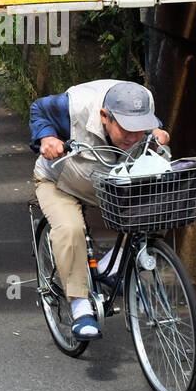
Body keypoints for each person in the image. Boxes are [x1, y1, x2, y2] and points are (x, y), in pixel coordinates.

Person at [29, 79, 170, 339]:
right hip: (62, 181)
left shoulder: (141, 101)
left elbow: (147, 122)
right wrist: (47, 137)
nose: (132, 136)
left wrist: (157, 131)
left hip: (107, 184)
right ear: (105, 117)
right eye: (126, 129)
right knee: (70, 229)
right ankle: (80, 306)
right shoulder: (73, 106)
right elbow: (39, 108)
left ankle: (110, 266)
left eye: (138, 129)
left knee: (160, 201)